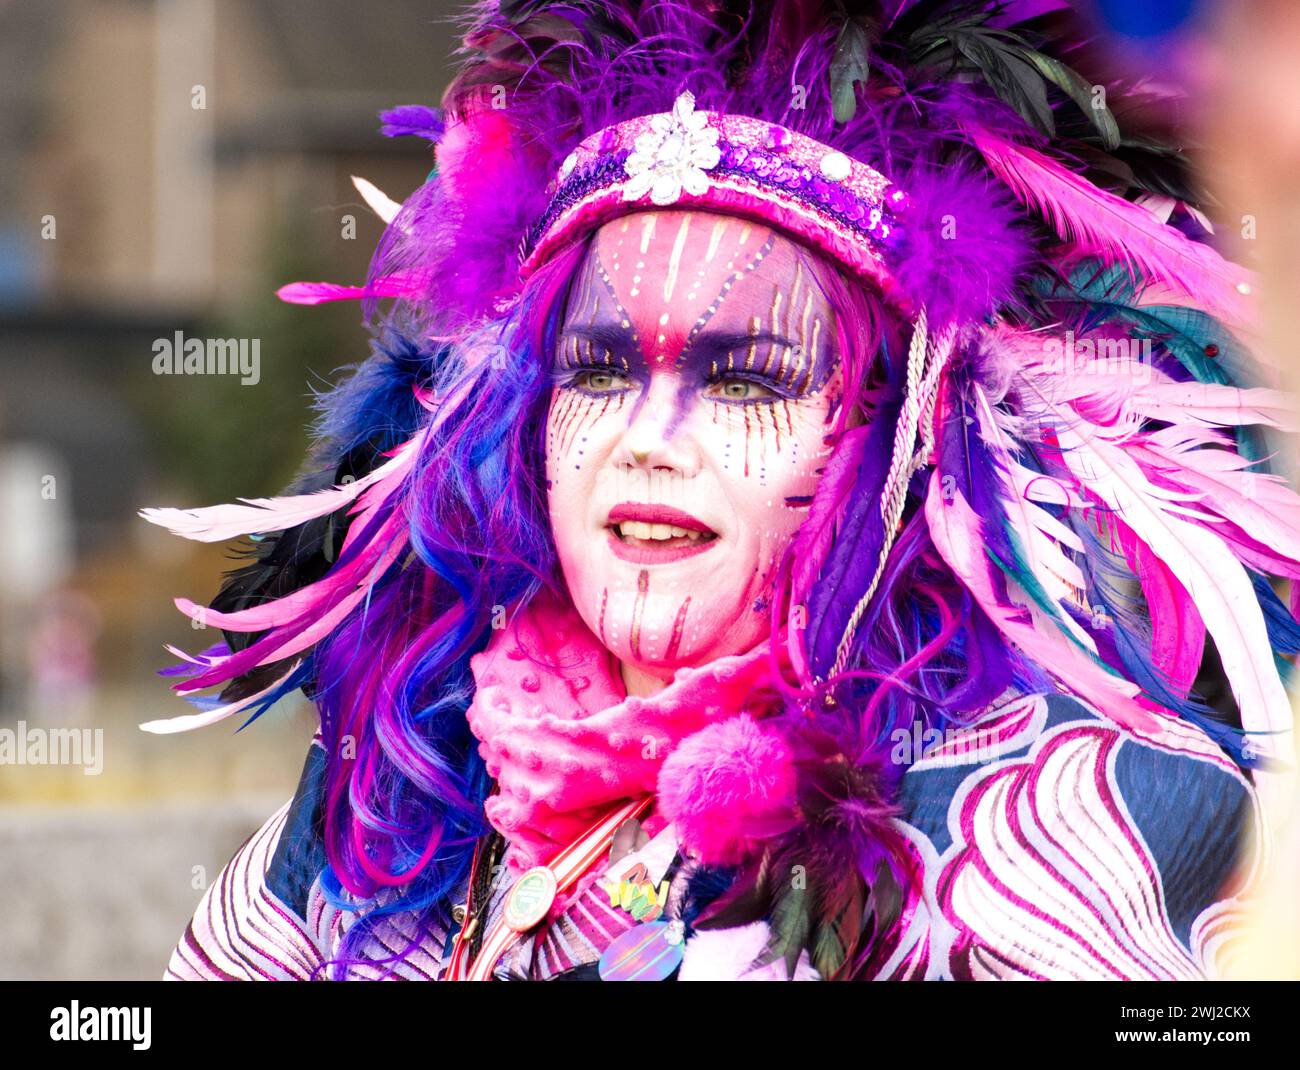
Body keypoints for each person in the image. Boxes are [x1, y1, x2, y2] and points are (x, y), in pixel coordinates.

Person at [142, 0, 1297, 981]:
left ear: (885, 433)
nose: (648, 440)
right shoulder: (403, 780)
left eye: (745, 378)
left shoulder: (1049, 818)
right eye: (596, 370)